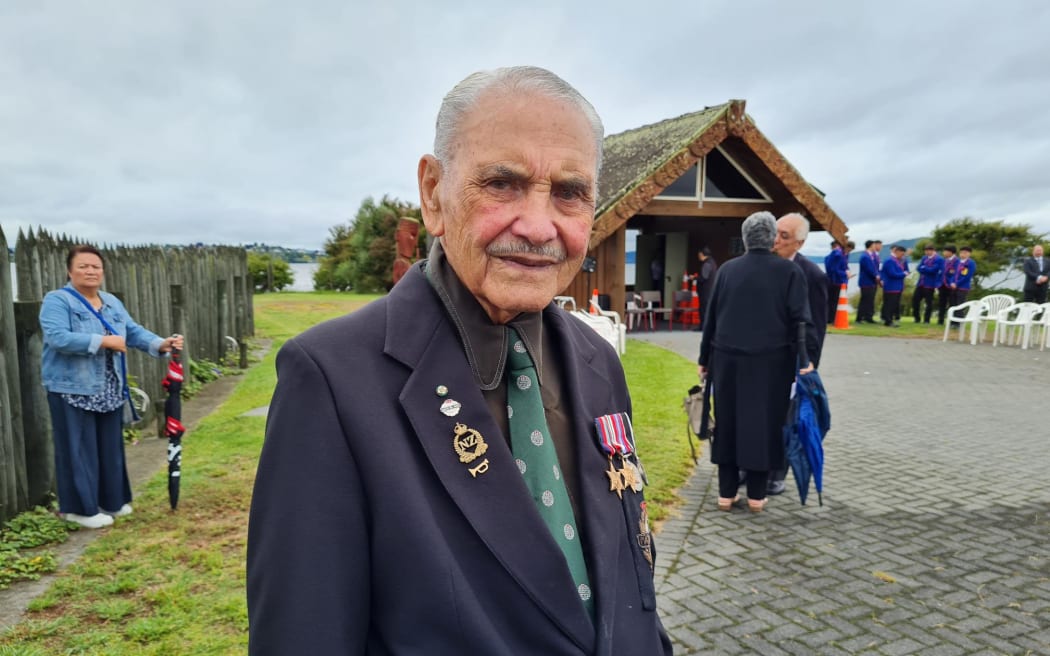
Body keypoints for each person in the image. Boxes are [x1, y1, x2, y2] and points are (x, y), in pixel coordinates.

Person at [246, 66, 673, 655]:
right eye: (502, 183)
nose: (539, 226)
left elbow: (630, 570)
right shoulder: (331, 381)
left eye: (570, 193)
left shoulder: (596, 358)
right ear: (433, 193)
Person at [39, 245, 183, 529]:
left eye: (96, 266)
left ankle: (111, 502)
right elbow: (57, 338)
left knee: (109, 448)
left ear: (103, 272)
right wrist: (103, 341)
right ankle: (79, 510)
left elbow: (132, 331)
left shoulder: (111, 302)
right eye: (83, 266)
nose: (90, 271)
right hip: (71, 388)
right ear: (69, 271)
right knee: (78, 450)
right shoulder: (57, 300)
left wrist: (159, 344)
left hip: (109, 386)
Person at [698, 212, 815, 513]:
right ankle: (756, 496)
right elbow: (800, 320)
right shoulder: (789, 272)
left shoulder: (727, 269)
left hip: (727, 358)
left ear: (745, 237)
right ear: (772, 237)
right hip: (771, 363)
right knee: (764, 424)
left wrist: (703, 359)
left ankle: (725, 494)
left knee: (727, 422)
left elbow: (711, 318)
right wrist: (804, 359)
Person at [766, 212, 827, 495]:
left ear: (799, 243)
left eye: (784, 236)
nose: (776, 240)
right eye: (775, 232)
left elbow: (817, 323)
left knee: (787, 419)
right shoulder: (765, 266)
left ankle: (778, 473)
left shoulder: (812, 275)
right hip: (764, 357)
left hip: (792, 359)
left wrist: (810, 362)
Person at [913, 244, 944, 323]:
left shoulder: (939, 259)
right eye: (926, 250)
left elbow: (933, 270)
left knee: (928, 303)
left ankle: (926, 319)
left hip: (930, 284)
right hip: (921, 283)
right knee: (915, 300)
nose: (927, 252)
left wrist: (924, 268)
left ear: (933, 250)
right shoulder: (924, 258)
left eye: (928, 250)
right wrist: (925, 268)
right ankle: (917, 318)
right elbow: (918, 268)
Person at [880, 245, 908, 327]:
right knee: (889, 304)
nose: (902, 256)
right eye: (902, 254)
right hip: (891, 286)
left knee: (893, 304)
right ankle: (888, 321)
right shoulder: (890, 261)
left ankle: (890, 320)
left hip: (897, 286)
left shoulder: (896, 260)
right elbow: (892, 274)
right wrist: (904, 274)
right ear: (897, 252)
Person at [857, 240, 882, 323]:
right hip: (866, 282)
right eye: (874, 245)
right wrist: (876, 276)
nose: (876, 247)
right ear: (871, 246)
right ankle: (860, 317)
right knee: (865, 300)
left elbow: (876, 267)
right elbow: (869, 269)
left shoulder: (873, 256)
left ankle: (869, 317)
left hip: (872, 281)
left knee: (870, 300)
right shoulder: (865, 256)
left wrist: (878, 276)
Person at [824, 240, 847, 323]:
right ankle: (832, 318)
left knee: (830, 300)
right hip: (836, 281)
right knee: (835, 300)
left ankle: (829, 317)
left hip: (830, 280)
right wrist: (845, 273)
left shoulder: (827, 257)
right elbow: (835, 269)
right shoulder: (838, 254)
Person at [696, 246, 718, 330]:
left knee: (704, 309)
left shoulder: (707, 264)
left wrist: (695, 278)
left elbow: (703, 277)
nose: (698, 256)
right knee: (708, 309)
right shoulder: (713, 262)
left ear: (702, 254)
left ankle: (703, 327)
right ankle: (707, 327)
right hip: (711, 290)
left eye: (699, 254)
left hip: (705, 291)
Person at [937, 245, 959, 324]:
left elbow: (955, 273)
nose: (944, 253)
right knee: (941, 303)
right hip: (942, 284)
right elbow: (940, 272)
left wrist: (952, 282)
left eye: (945, 251)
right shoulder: (944, 260)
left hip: (951, 285)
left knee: (952, 303)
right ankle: (940, 320)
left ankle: (953, 321)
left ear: (951, 252)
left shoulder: (957, 261)